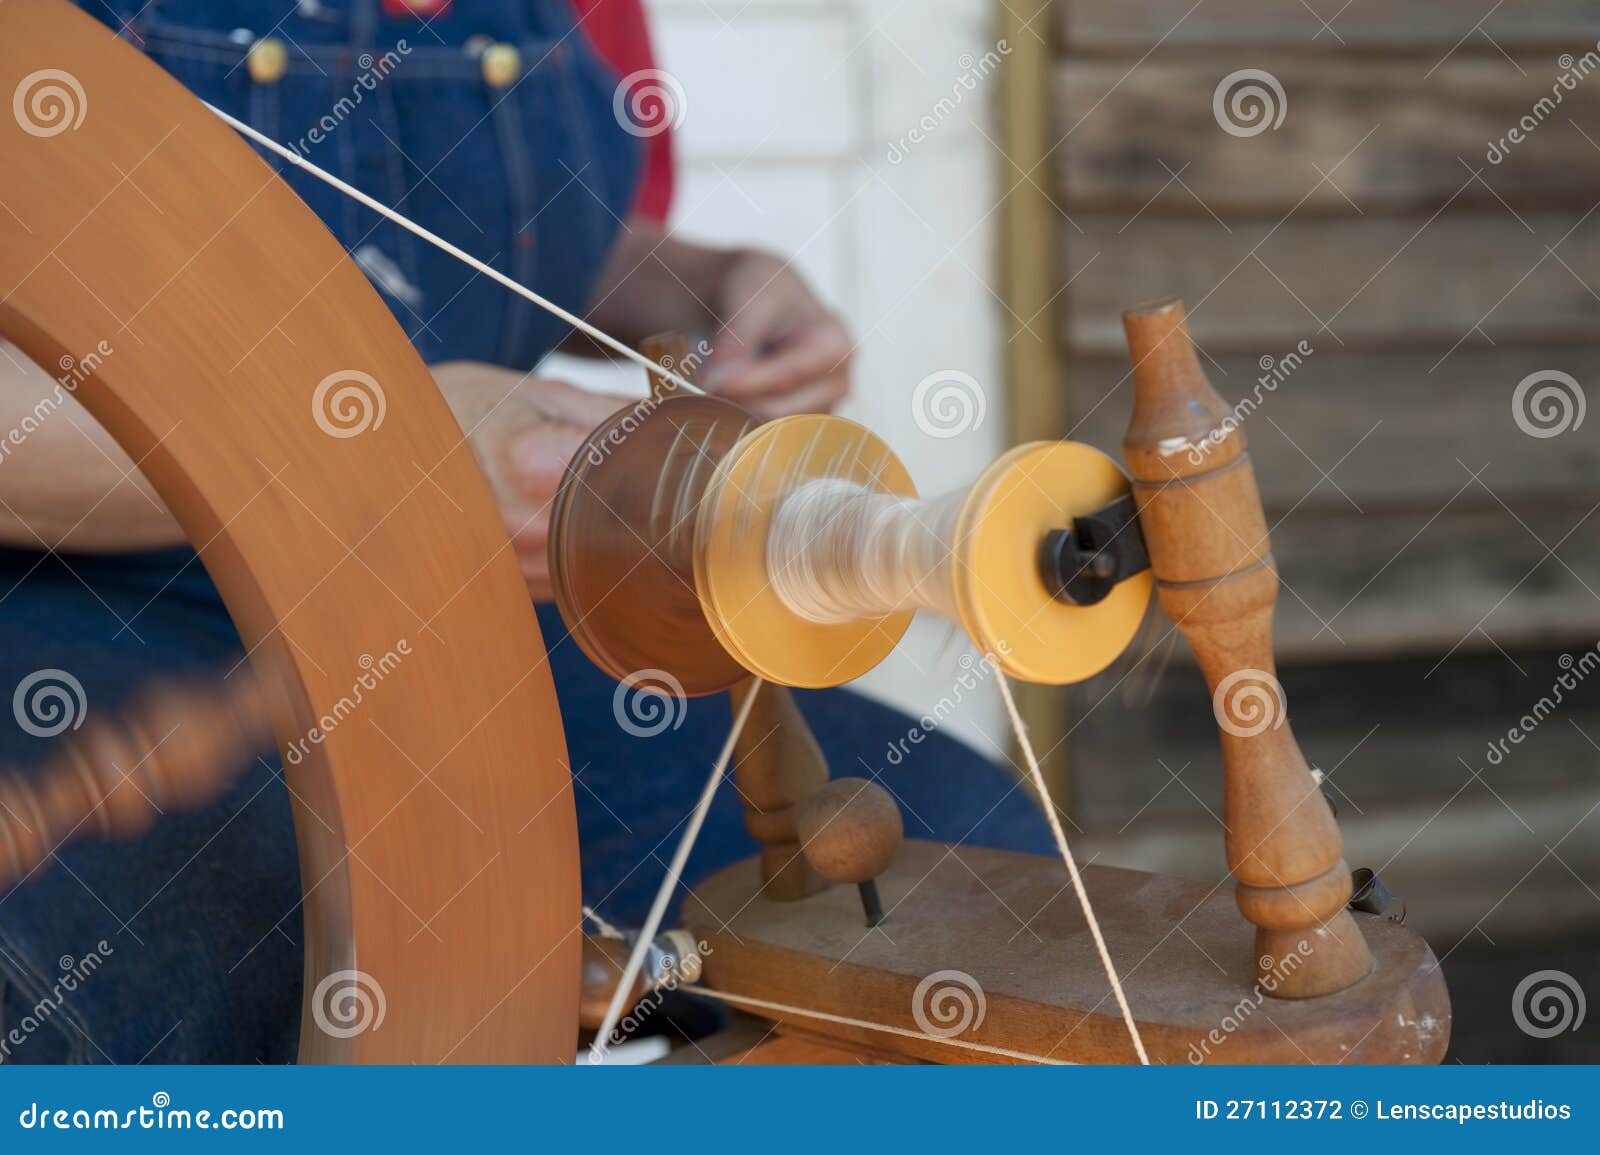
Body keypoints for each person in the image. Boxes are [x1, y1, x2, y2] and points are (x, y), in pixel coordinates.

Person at [0, 0, 1046, 1063]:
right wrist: (366, 456)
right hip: (82, 605)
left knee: (965, 888)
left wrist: (707, 280)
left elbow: (522, 223)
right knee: (127, 982)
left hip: (463, 605)